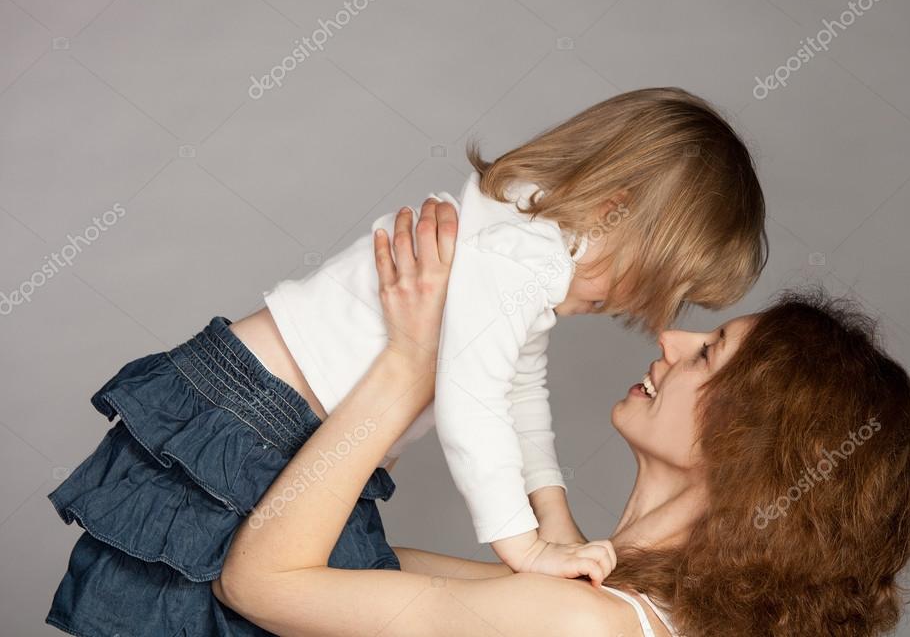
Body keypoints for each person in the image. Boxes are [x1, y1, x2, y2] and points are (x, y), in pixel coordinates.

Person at [47, 87, 767, 636]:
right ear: (616, 211)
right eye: (637, 288)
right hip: (251, 422)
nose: (627, 315)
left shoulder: (524, 243)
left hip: (284, 426)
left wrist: (552, 518)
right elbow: (472, 403)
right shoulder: (521, 259)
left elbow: (518, 390)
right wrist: (521, 546)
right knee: (168, 610)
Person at [214, 203, 910, 637]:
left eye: (710, 353)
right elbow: (353, 568)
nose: (673, 339)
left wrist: (409, 365)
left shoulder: (581, 624)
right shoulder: (601, 606)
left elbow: (259, 583)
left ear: (754, 441)